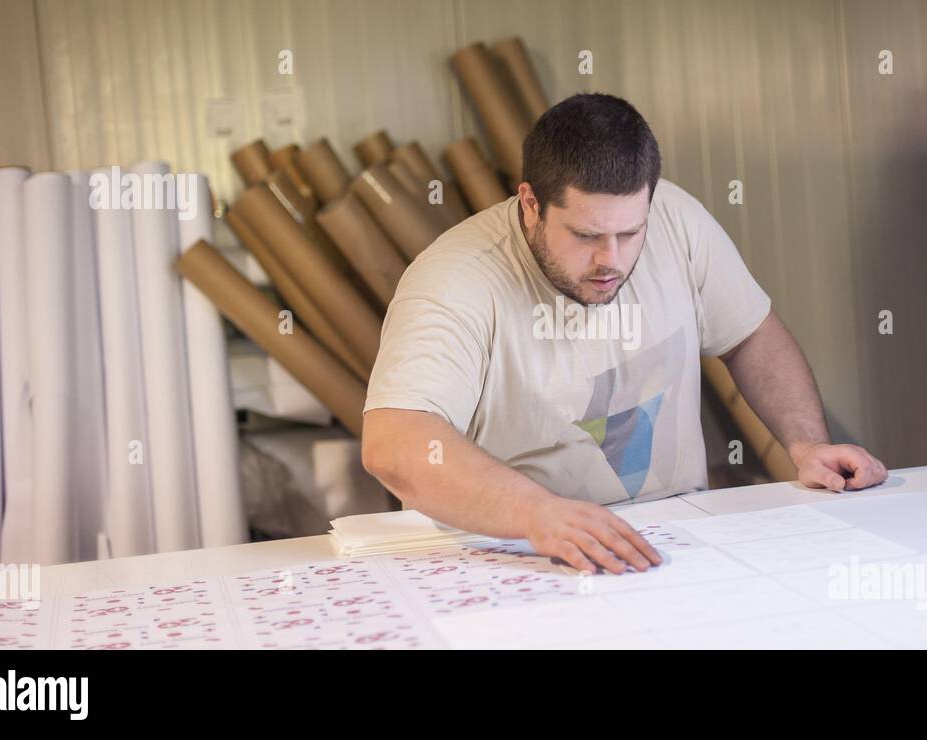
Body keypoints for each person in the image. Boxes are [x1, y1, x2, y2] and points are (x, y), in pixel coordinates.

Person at [361, 93, 887, 575]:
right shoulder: (455, 281)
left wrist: (807, 443)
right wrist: (536, 514)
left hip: (675, 538)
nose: (610, 260)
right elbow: (395, 442)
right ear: (530, 204)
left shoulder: (677, 220)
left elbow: (751, 335)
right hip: (515, 556)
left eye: (630, 233)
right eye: (586, 235)